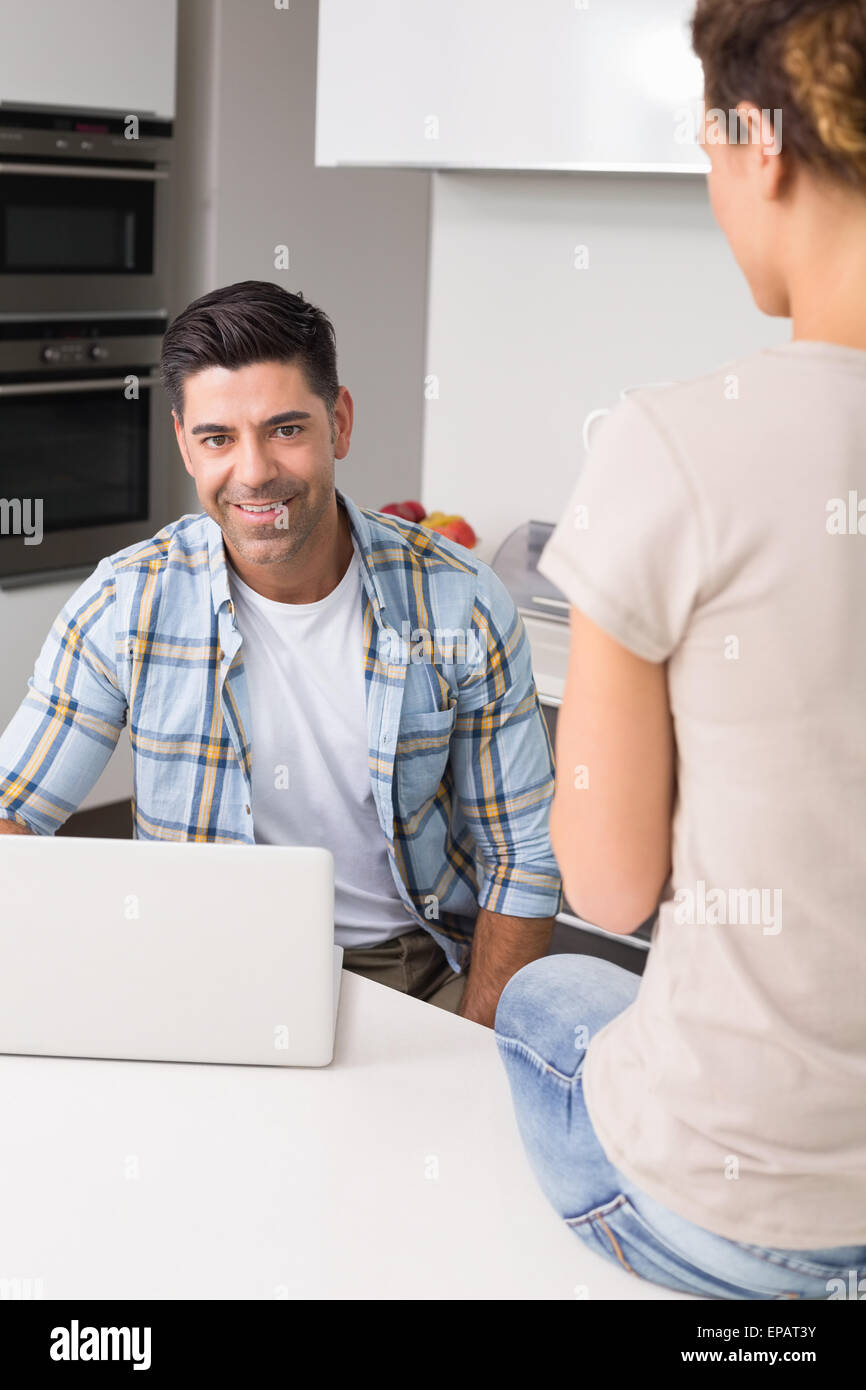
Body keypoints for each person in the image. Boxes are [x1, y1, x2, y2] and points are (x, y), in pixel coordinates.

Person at [494, 0, 866, 1298]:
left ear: (759, 141)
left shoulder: (669, 442)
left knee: (549, 1007)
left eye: (708, 145)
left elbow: (605, 887)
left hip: (741, 1222)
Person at [0, 280, 561, 1025]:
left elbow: (523, 853)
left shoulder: (460, 601)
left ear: (341, 423)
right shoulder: (124, 603)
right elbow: (14, 815)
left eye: (286, 429)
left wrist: (481, 1040)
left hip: (408, 973)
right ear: (186, 447)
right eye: (218, 438)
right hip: (193, 974)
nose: (255, 470)